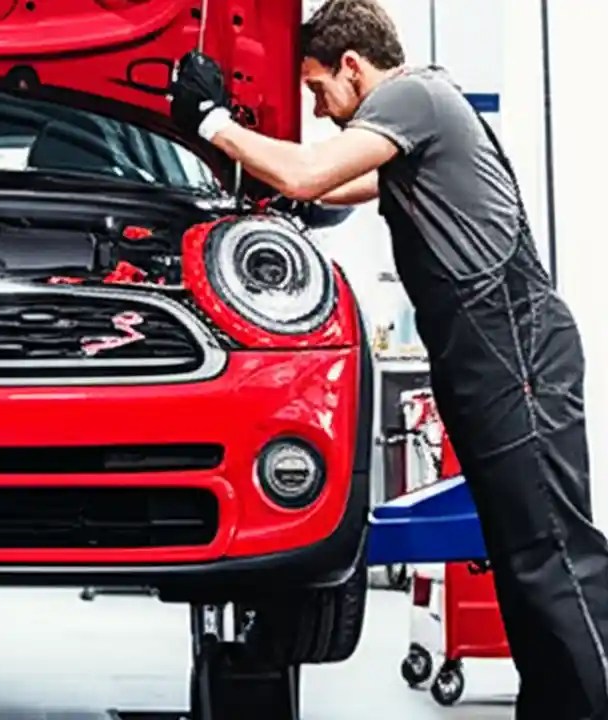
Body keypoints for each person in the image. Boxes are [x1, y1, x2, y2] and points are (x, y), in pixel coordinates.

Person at [168, 0, 608, 717]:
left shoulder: (415, 95)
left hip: (514, 352)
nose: (320, 107)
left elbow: (310, 173)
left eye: (318, 90)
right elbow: (332, 186)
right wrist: (275, 194)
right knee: (521, 559)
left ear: (352, 65)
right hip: (485, 359)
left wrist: (213, 120)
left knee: (550, 554)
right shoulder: (413, 128)